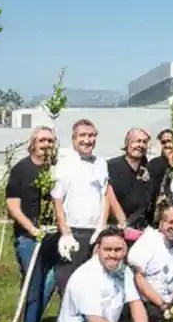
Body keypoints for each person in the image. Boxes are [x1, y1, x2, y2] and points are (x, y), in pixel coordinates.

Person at [51, 119, 122, 297]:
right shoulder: (64, 164)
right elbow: (57, 199)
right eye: (83, 136)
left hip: (95, 233)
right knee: (69, 285)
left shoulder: (101, 164)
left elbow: (105, 195)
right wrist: (65, 231)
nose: (87, 140)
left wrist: (101, 226)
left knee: (94, 285)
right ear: (74, 139)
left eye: (91, 136)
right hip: (74, 232)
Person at [4, 126, 58, 322]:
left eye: (50, 140)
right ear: (33, 143)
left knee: (52, 280)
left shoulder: (54, 171)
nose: (46, 144)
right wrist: (32, 229)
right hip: (28, 238)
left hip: (52, 236)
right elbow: (13, 207)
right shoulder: (21, 170)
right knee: (32, 286)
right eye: (42, 140)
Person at [126, 200, 173, 322]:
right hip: (149, 303)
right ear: (160, 221)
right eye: (170, 222)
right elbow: (139, 278)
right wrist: (162, 305)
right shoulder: (147, 241)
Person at [107, 128, 154, 231]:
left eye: (144, 142)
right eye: (137, 141)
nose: (140, 145)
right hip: (115, 228)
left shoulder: (148, 169)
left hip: (141, 230)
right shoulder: (112, 166)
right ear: (127, 143)